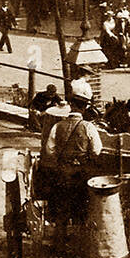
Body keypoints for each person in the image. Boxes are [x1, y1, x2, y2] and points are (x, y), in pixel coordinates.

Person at [38, 79, 103, 245]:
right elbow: (96, 151)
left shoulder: (57, 126)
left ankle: (59, 243)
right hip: (82, 177)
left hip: (61, 176)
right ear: (84, 107)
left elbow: (49, 151)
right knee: (83, 207)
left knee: (61, 209)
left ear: (71, 106)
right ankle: (83, 243)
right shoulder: (88, 127)